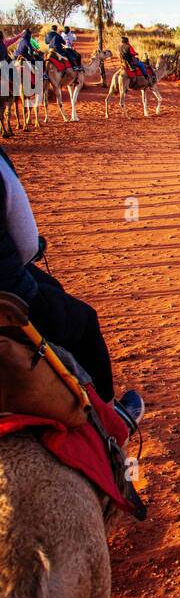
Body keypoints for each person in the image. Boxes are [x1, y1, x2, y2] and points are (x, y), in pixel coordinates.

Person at [0, 146, 142, 432]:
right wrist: (35, 247)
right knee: (84, 320)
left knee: (51, 287)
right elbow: (26, 243)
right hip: (8, 294)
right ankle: (112, 421)